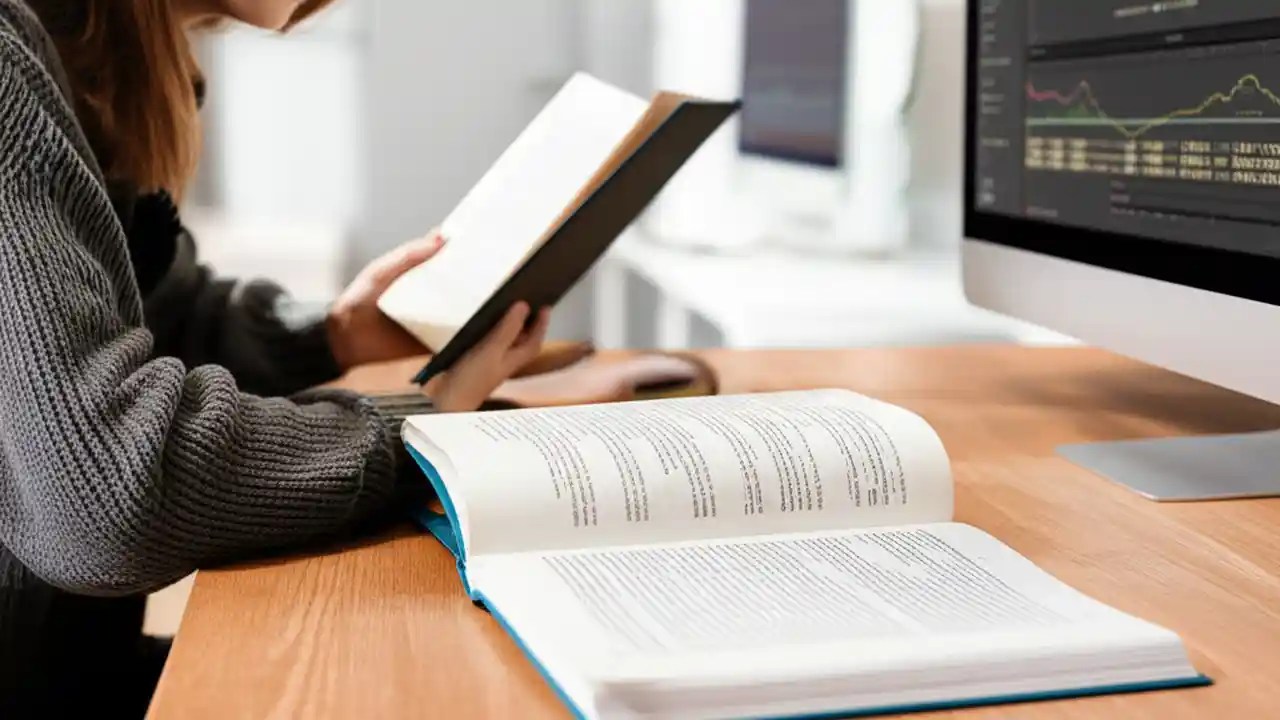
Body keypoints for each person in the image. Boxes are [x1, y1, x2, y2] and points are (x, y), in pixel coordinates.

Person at [0, 0, 551, 715]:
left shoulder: (84, 42)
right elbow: (104, 493)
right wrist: (422, 427)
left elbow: (146, 312)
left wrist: (336, 334)